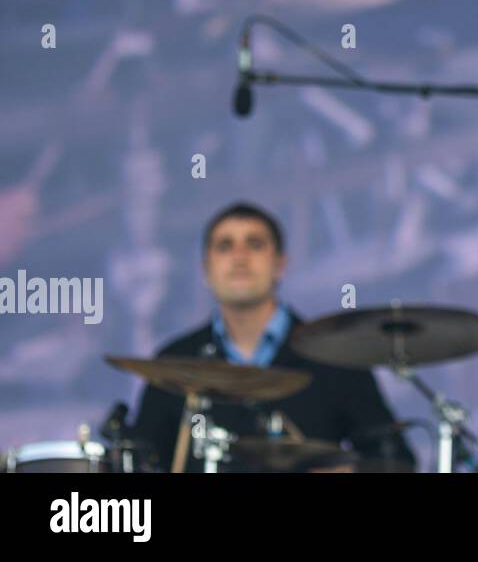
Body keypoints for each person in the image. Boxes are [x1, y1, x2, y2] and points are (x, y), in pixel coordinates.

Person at [130, 201, 415, 472]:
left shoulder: (334, 357)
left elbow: (393, 459)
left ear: (280, 264)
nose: (239, 257)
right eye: (225, 246)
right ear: (206, 269)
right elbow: (141, 461)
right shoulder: (176, 361)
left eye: (254, 244)